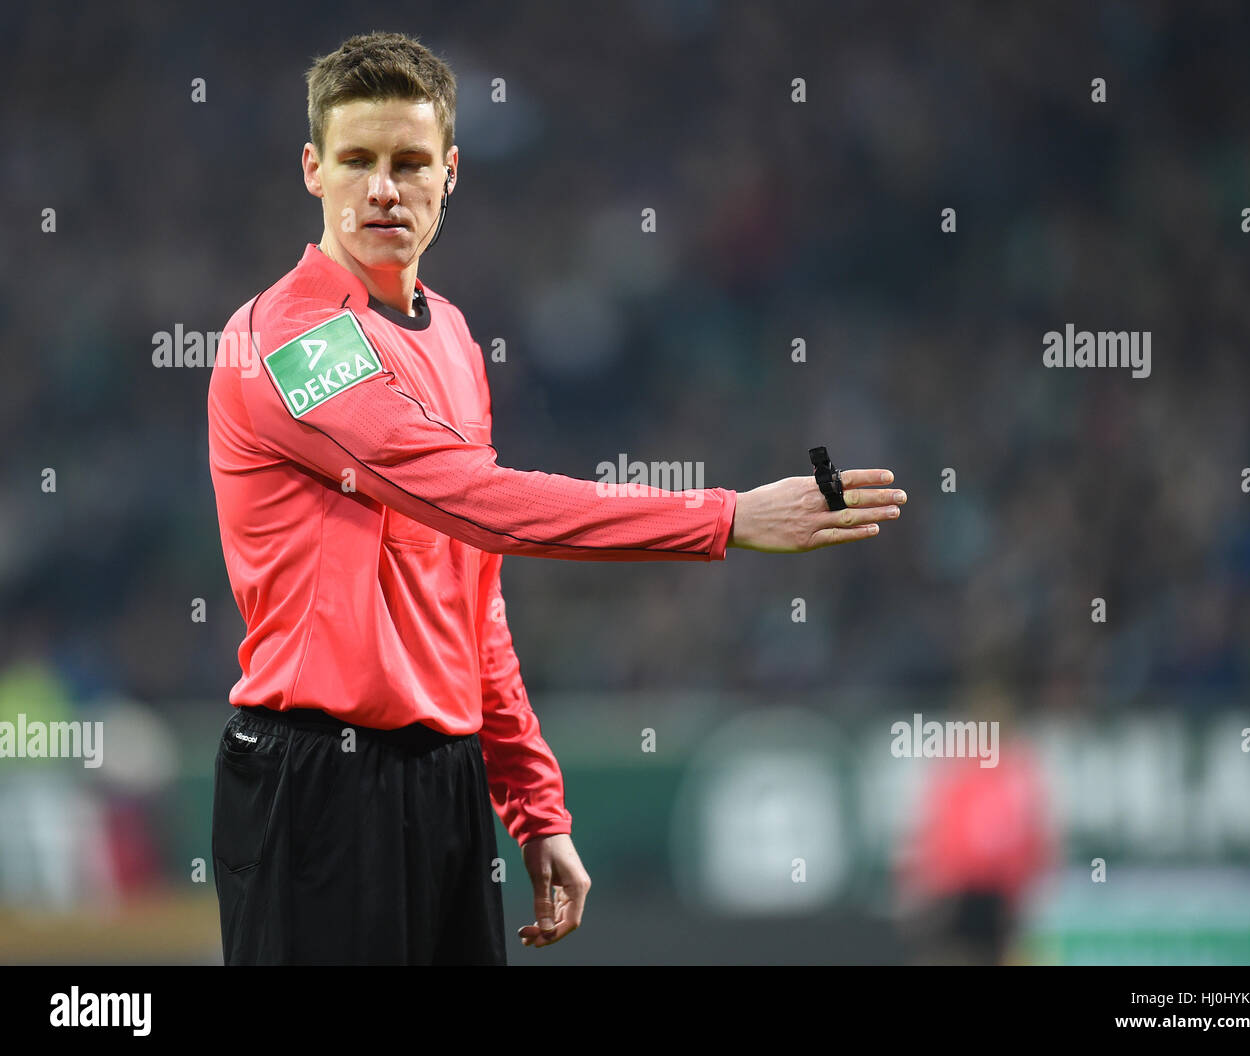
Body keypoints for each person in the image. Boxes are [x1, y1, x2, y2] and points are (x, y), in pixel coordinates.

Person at [207, 30, 907, 965]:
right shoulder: (292, 341)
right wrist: (726, 518)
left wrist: (532, 804)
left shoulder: (451, 337)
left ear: (450, 172)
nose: (384, 188)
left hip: (443, 781)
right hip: (316, 784)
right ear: (312, 169)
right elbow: (475, 500)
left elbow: (473, 589)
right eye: (357, 160)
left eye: (410, 162)